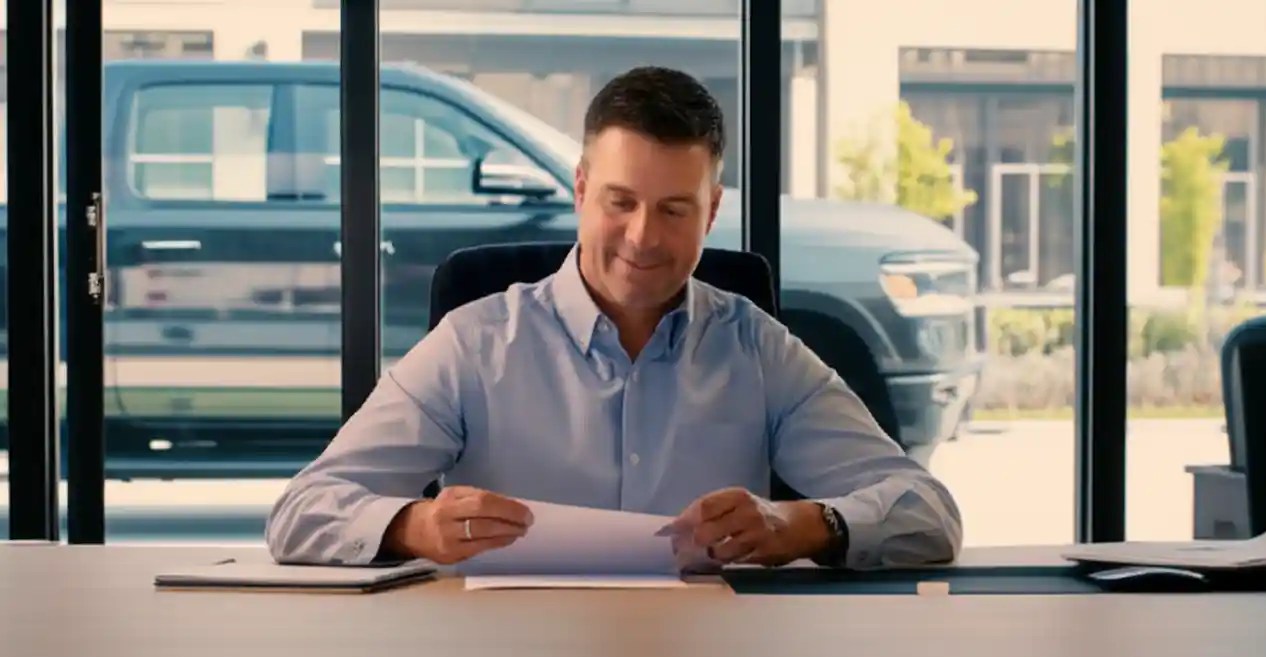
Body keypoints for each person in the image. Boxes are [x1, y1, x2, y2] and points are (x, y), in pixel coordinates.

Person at [265, 66, 962, 570]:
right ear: (580, 190)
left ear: (712, 211)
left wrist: (807, 523)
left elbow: (927, 512)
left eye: (673, 209)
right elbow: (302, 511)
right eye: (620, 201)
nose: (641, 237)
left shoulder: (758, 349)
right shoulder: (474, 345)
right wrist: (413, 525)